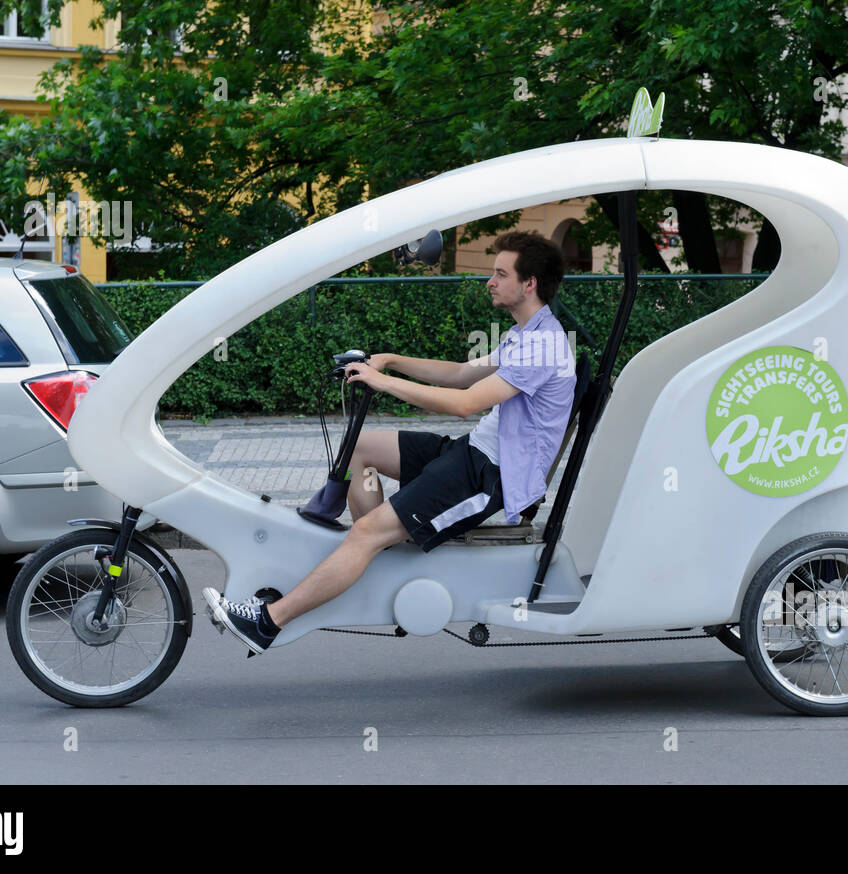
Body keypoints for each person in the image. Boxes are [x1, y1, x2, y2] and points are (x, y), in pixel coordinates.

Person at [203, 230, 576, 653]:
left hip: (490, 476)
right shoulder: (524, 334)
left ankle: (269, 622)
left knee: (366, 532)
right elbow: (459, 373)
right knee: (361, 447)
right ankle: (371, 547)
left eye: (500, 273)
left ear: (529, 283)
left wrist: (384, 382)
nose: (490, 281)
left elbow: (465, 403)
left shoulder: (543, 345)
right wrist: (390, 359)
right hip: (473, 451)